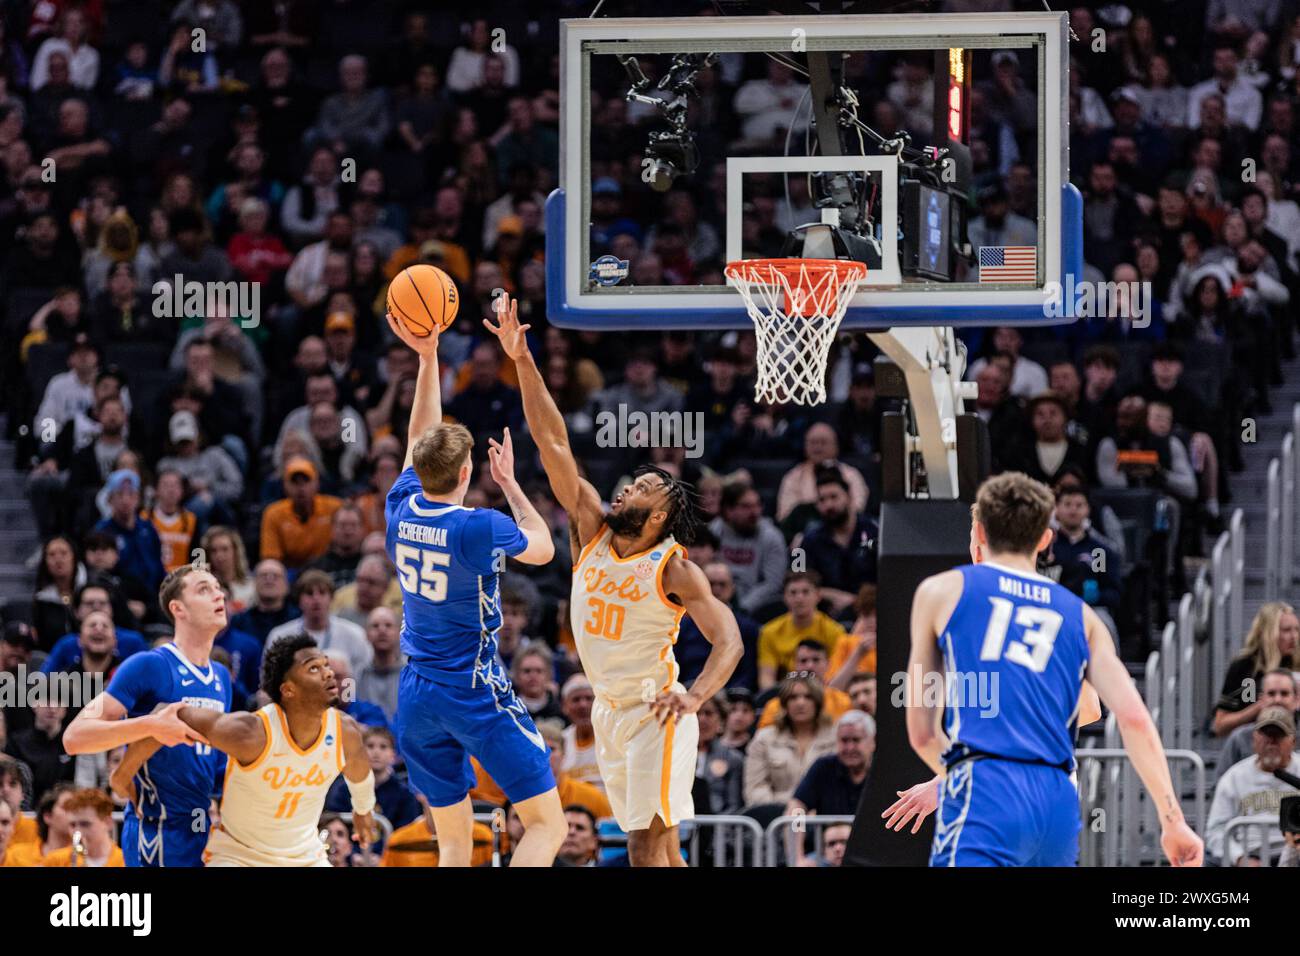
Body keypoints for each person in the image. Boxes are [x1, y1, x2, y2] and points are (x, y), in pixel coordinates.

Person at [486, 293, 743, 867]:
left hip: (658, 707)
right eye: (631, 482)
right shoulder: (590, 529)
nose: (627, 488)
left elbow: (729, 640)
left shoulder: (674, 567)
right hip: (608, 709)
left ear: (657, 517)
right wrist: (522, 357)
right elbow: (554, 442)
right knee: (659, 848)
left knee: (645, 845)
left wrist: (694, 696)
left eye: (643, 489)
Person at [905, 472, 1202, 866]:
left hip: (986, 785)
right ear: (1046, 539)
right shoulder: (1081, 615)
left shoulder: (942, 591)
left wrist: (957, 777)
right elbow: (1131, 717)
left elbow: (923, 733)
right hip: (1057, 795)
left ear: (978, 531)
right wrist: (1173, 819)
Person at [382, 305, 567, 868]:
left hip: (415, 694)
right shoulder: (476, 526)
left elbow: (421, 434)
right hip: (473, 689)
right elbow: (544, 547)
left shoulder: (398, 509)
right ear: (468, 474)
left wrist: (428, 356)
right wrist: (510, 485)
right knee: (546, 825)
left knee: (455, 847)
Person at [115, 635, 376, 867]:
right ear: (288, 690)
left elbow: (359, 772)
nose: (328, 673)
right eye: (314, 668)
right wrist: (122, 775)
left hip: (306, 857)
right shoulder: (251, 733)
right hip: (239, 856)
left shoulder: (345, 731)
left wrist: (363, 811)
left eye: (326, 665)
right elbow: (166, 715)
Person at [63, 565, 233, 867]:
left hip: (202, 828)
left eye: (218, 587)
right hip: (154, 830)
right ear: (178, 608)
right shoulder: (147, 665)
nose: (218, 594)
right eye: (203, 589)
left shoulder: (220, 676)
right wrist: (151, 725)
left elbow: (217, 766)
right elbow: (74, 737)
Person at [1206, 706, 1300, 865]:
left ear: (1293, 741)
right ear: (1254, 739)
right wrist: (1239, 857)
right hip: (1249, 855)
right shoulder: (1234, 778)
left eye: (1278, 735)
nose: (1271, 742)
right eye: (1265, 734)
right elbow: (1216, 831)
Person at [785, 710, 876, 864]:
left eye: (856, 740)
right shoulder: (823, 767)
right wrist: (798, 858)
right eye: (844, 740)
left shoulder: (885, 771)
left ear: (872, 742)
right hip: (828, 857)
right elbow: (796, 808)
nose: (850, 747)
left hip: (874, 855)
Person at [743, 674, 837, 807]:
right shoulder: (764, 738)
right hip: (776, 819)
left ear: (818, 702)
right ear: (784, 704)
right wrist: (790, 807)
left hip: (822, 818)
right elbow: (755, 790)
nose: (800, 703)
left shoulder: (836, 738)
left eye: (808, 697)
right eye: (793, 697)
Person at [1214, 601, 1298, 737]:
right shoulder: (1244, 666)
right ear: (1269, 633)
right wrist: (1258, 707)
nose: (1294, 637)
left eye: (1297, 630)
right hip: (1251, 744)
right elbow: (1219, 726)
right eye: (1287, 630)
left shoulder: (1296, 666)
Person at [266, 570, 372, 676]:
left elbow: (364, 678)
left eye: (322, 592)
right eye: (309, 593)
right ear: (299, 600)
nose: (316, 599)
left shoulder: (354, 634)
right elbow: (269, 679)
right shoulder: (280, 636)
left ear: (331, 598)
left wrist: (346, 692)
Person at [757, 572, 846, 691]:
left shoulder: (835, 631)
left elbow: (837, 674)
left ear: (818, 596)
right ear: (785, 597)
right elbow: (766, 678)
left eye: (805, 592)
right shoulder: (769, 632)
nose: (799, 598)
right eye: (793, 593)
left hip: (825, 690)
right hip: (787, 693)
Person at [1215, 670, 1299, 780]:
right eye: (1271, 694)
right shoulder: (1239, 739)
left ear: (1296, 700)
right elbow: (1219, 786)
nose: (1277, 700)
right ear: (1261, 700)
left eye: (1284, 694)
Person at [757, 640, 852, 729]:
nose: (810, 666)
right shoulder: (775, 706)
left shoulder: (844, 702)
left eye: (816, 660)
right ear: (794, 665)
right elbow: (765, 739)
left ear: (828, 664)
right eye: (803, 661)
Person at [40, 788, 123, 867]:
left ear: (107, 823)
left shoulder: (126, 861)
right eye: (72, 825)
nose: (77, 831)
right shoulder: (55, 861)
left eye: (85, 824)